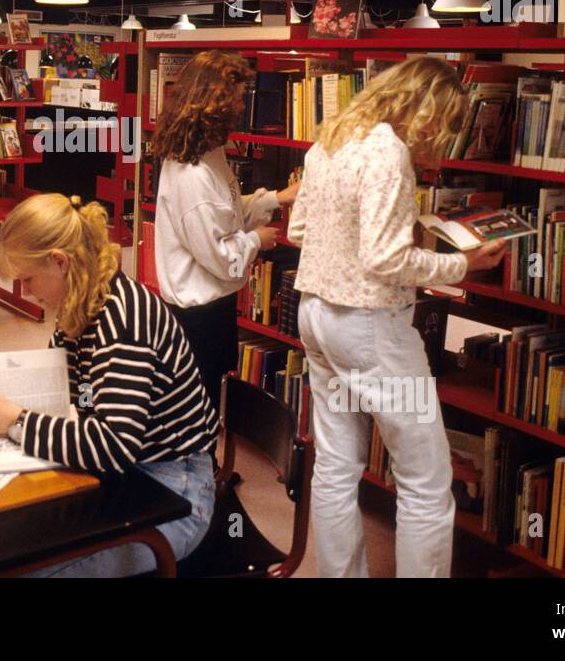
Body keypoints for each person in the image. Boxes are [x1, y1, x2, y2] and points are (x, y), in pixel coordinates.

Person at [287, 56, 507, 578]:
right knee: (427, 483)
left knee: (337, 466)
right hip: (371, 331)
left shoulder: (332, 139)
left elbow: (299, 231)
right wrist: (462, 262)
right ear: (424, 104)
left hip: (317, 319)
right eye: (443, 120)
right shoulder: (388, 150)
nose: (439, 135)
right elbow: (385, 260)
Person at [0, 193, 218, 577]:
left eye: (29, 279)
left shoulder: (121, 324)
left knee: (21, 569)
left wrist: (12, 421)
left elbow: (114, 446)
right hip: (134, 478)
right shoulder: (82, 298)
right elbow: (63, 383)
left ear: (59, 261)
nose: (28, 291)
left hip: (172, 496)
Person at [152, 51, 298, 403]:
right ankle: (201, 461)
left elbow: (224, 214)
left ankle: (203, 458)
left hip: (209, 311)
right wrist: (255, 241)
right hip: (197, 318)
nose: (239, 106)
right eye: (235, 98)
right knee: (197, 407)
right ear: (213, 103)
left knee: (206, 397)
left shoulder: (207, 155)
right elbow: (221, 256)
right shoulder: (195, 174)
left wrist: (275, 199)